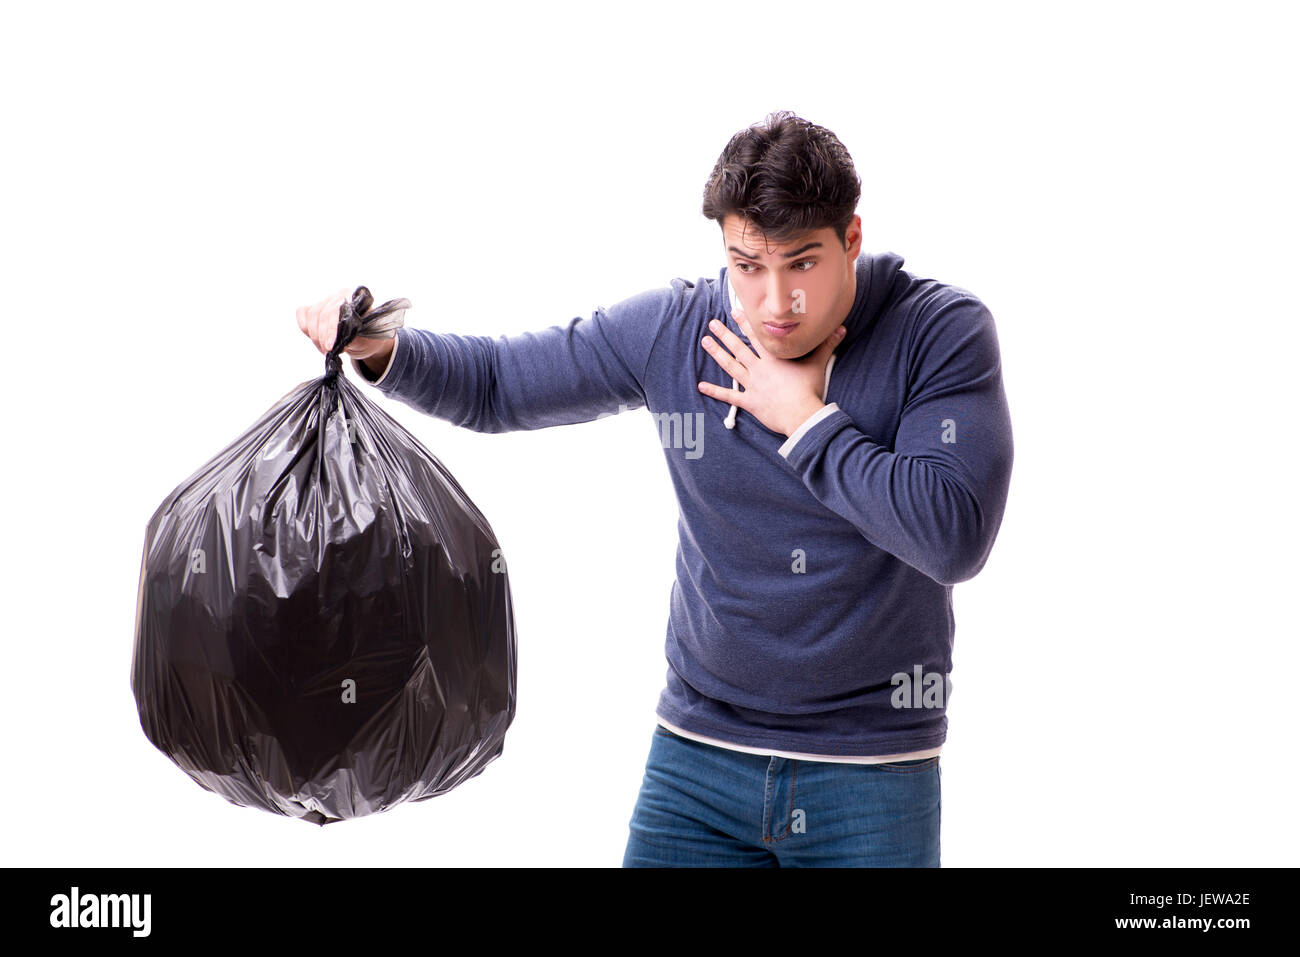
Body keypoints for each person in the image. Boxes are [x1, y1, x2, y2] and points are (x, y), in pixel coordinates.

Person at [297, 110, 1014, 867]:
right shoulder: (678, 330)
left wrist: (803, 420)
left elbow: (954, 533)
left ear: (851, 241)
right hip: (696, 761)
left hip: (872, 772)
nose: (775, 304)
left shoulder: (941, 331)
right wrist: (383, 347)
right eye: (748, 266)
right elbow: (502, 382)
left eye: (802, 264)